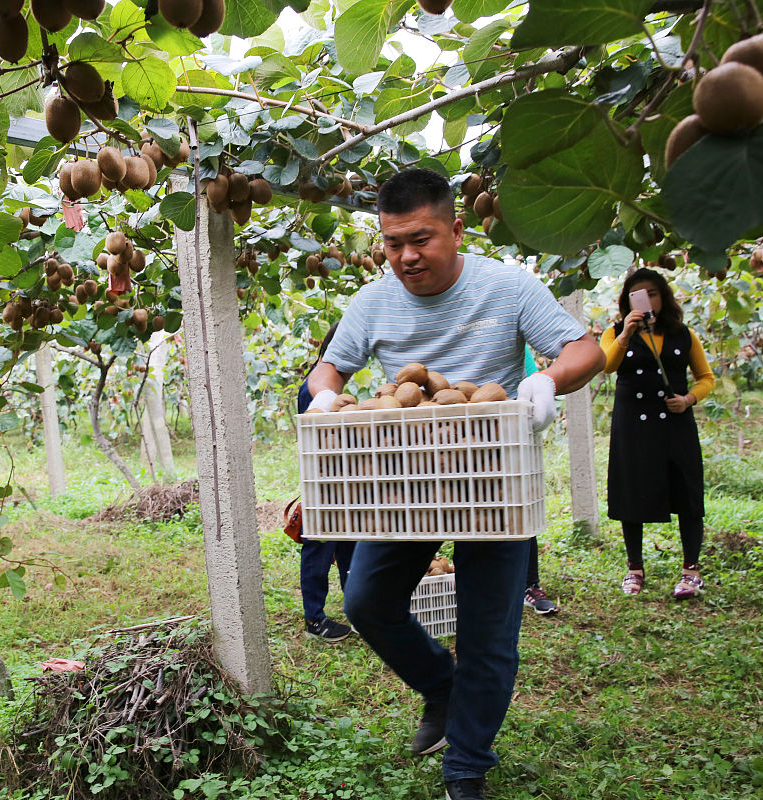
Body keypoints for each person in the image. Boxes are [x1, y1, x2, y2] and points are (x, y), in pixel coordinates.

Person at [305, 169, 605, 800]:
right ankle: (440, 685)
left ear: (456, 228)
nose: (407, 256)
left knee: (489, 633)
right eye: (392, 243)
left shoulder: (507, 285)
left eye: (421, 238)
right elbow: (328, 368)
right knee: (366, 603)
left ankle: (466, 766)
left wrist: (547, 381)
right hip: (409, 483)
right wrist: (327, 398)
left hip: (493, 482)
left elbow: (585, 349)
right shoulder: (372, 301)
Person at [601, 268, 714, 600]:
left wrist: (689, 399)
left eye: (653, 293)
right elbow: (606, 365)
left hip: (675, 424)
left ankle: (691, 571)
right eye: (639, 294)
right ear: (627, 301)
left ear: (663, 297)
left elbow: (706, 377)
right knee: (631, 489)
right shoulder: (616, 331)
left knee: (687, 492)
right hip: (633, 423)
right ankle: (634, 569)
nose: (647, 300)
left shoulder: (683, 334)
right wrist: (625, 335)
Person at [296, 325, 356, 643]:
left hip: (339, 480)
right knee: (319, 549)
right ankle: (314, 619)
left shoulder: (328, 386)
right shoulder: (316, 390)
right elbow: (318, 439)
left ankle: (357, 611)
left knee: (349, 545)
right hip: (324, 482)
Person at [521, 346, 558, 616]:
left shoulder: (508, 332)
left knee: (520, 508)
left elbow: (535, 376)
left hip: (509, 432)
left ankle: (529, 586)